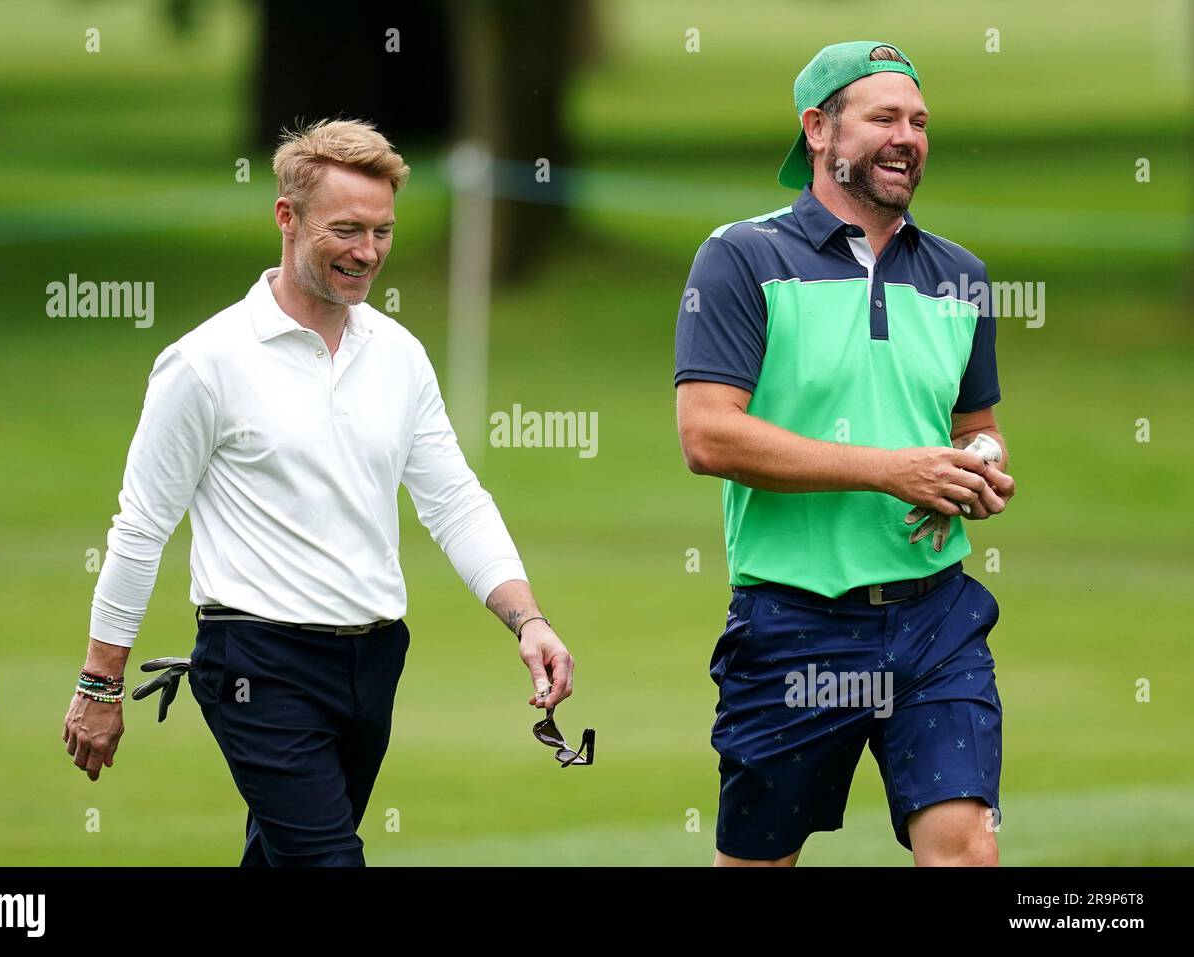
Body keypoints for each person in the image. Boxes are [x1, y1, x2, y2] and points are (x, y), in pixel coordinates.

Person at [61, 118, 574, 866]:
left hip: (375, 661)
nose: (367, 252)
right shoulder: (205, 363)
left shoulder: (398, 354)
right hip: (256, 663)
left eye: (383, 231)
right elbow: (140, 528)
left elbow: (454, 498)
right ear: (286, 217)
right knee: (329, 860)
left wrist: (527, 619)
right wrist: (99, 683)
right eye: (346, 230)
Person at [674, 41, 1016, 866]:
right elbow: (707, 433)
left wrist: (979, 465)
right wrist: (893, 468)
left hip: (937, 618)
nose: (908, 137)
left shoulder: (960, 276)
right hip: (792, 622)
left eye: (920, 121)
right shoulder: (741, 257)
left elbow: (979, 425)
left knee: (965, 846)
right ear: (819, 130)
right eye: (885, 118)